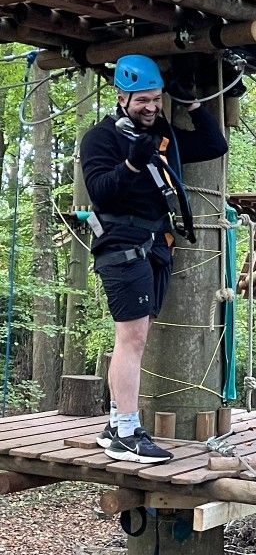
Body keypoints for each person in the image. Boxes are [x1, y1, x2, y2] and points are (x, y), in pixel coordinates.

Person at [79, 54, 228, 464]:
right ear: (122, 98)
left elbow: (214, 145)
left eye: (157, 99)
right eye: (142, 100)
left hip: (155, 244)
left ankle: (115, 425)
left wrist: (192, 104)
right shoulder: (101, 138)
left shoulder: (161, 132)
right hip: (121, 245)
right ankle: (127, 430)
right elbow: (102, 190)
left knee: (134, 338)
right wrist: (132, 163)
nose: (151, 108)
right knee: (133, 339)